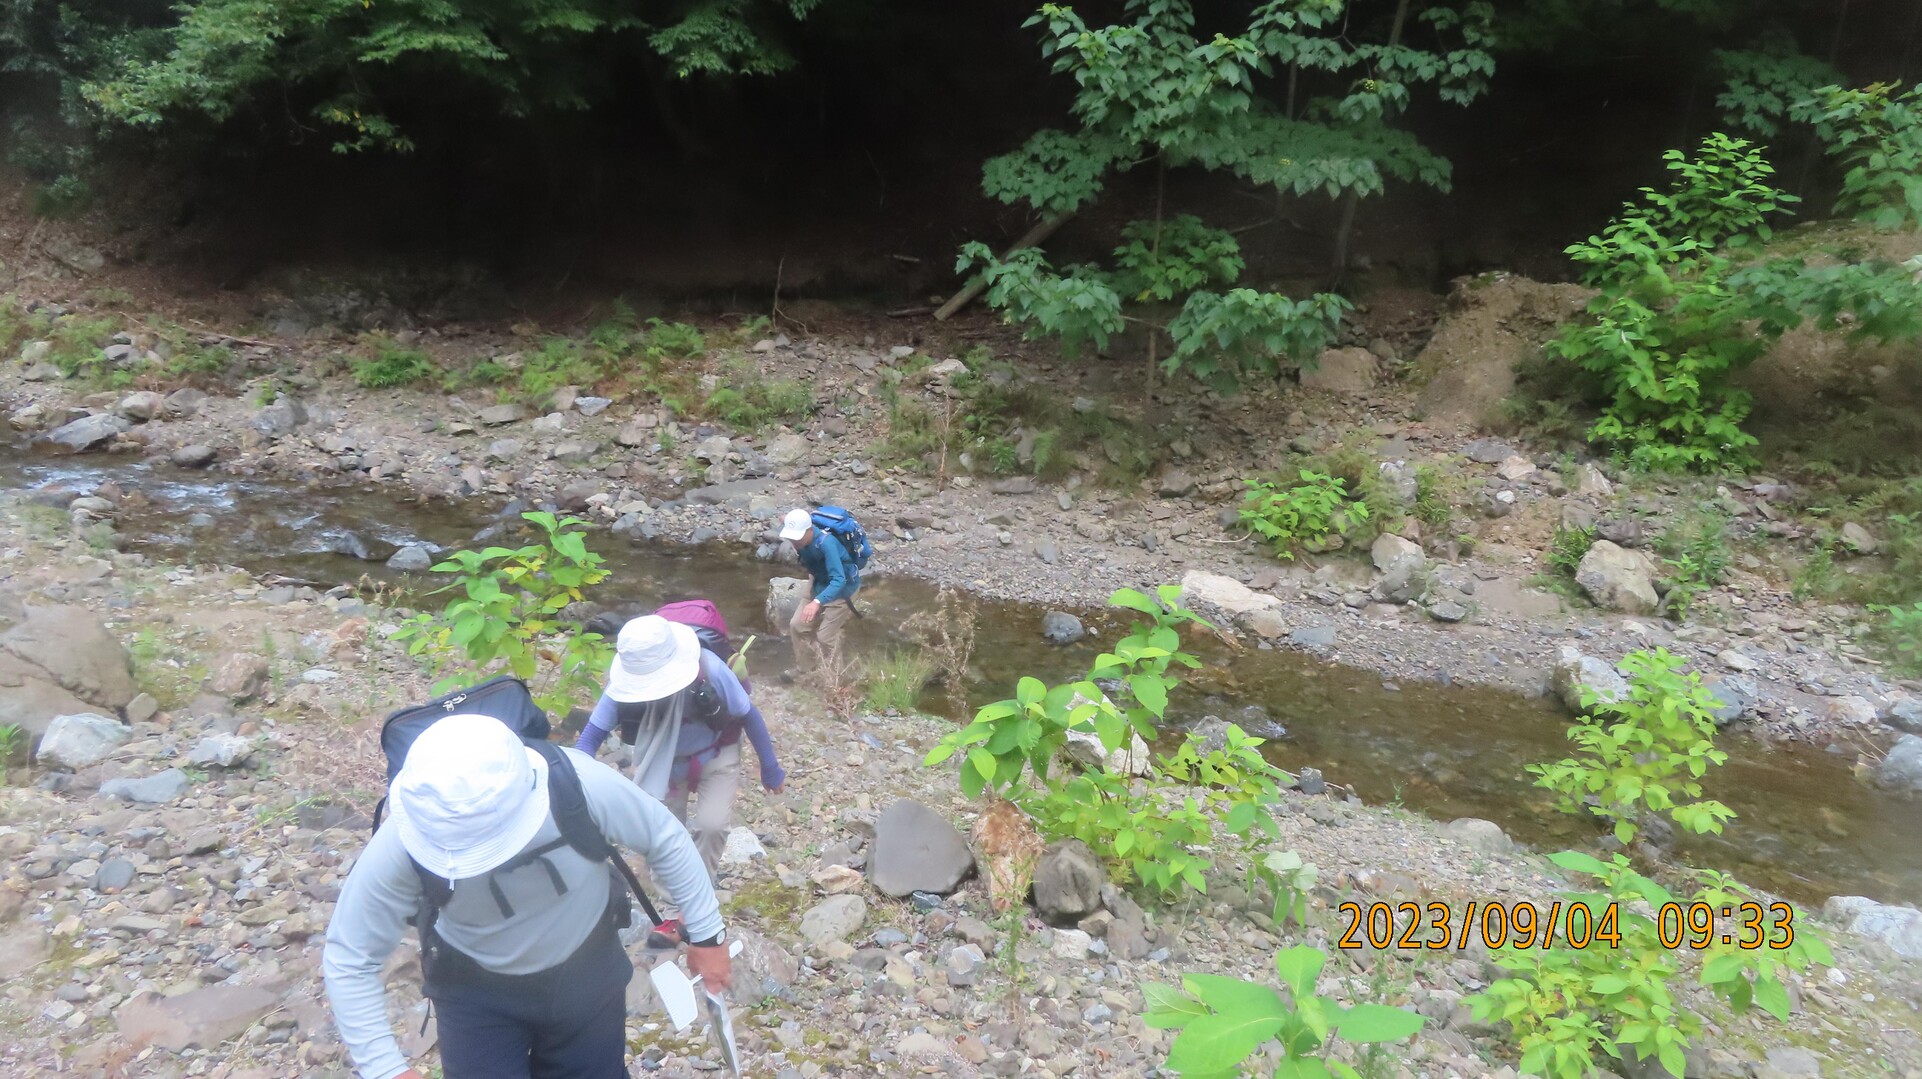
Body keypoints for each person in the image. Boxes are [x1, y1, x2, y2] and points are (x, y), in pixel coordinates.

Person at [323, 714, 731, 1079]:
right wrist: (386, 1068)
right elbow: (350, 954)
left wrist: (708, 936)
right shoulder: (401, 842)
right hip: (475, 995)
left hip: (588, 974)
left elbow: (665, 837)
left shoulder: (579, 785)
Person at [575, 616, 784, 926]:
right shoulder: (623, 683)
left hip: (717, 752)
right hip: (665, 761)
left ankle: (698, 896)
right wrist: (573, 780)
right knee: (659, 833)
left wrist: (770, 766)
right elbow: (592, 735)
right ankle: (673, 904)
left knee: (712, 825)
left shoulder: (710, 668)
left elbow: (748, 715)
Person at [781, 507, 861, 680]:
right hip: (818, 582)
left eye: (797, 537)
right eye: (791, 537)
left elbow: (839, 580)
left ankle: (833, 677)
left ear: (809, 531)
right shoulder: (801, 539)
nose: (794, 542)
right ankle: (805, 669)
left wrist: (817, 602)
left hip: (842, 591)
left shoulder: (827, 543)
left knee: (825, 637)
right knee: (797, 625)